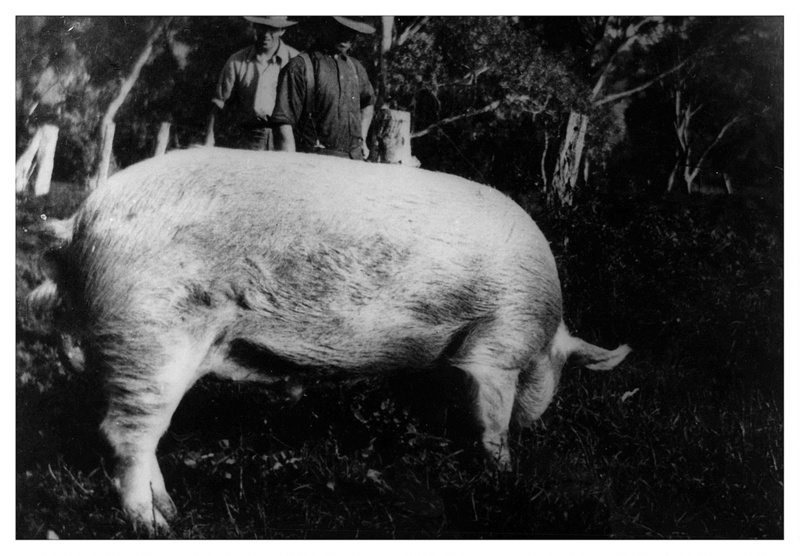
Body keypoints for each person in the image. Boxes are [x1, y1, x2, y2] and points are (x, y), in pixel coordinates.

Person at [272, 17, 376, 160]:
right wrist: (289, 165)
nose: (347, 37)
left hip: (353, 163)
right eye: (341, 29)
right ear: (325, 25)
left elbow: (368, 103)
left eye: (352, 31)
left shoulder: (356, 68)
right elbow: (283, 123)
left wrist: (362, 138)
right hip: (314, 163)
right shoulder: (300, 67)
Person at [205, 16, 299, 150]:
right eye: (262, 27)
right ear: (255, 27)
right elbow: (219, 104)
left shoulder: (295, 60)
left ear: (282, 30)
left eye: (272, 29)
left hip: (287, 140)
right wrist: (208, 140)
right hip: (248, 139)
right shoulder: (237, 61)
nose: (266, 34)